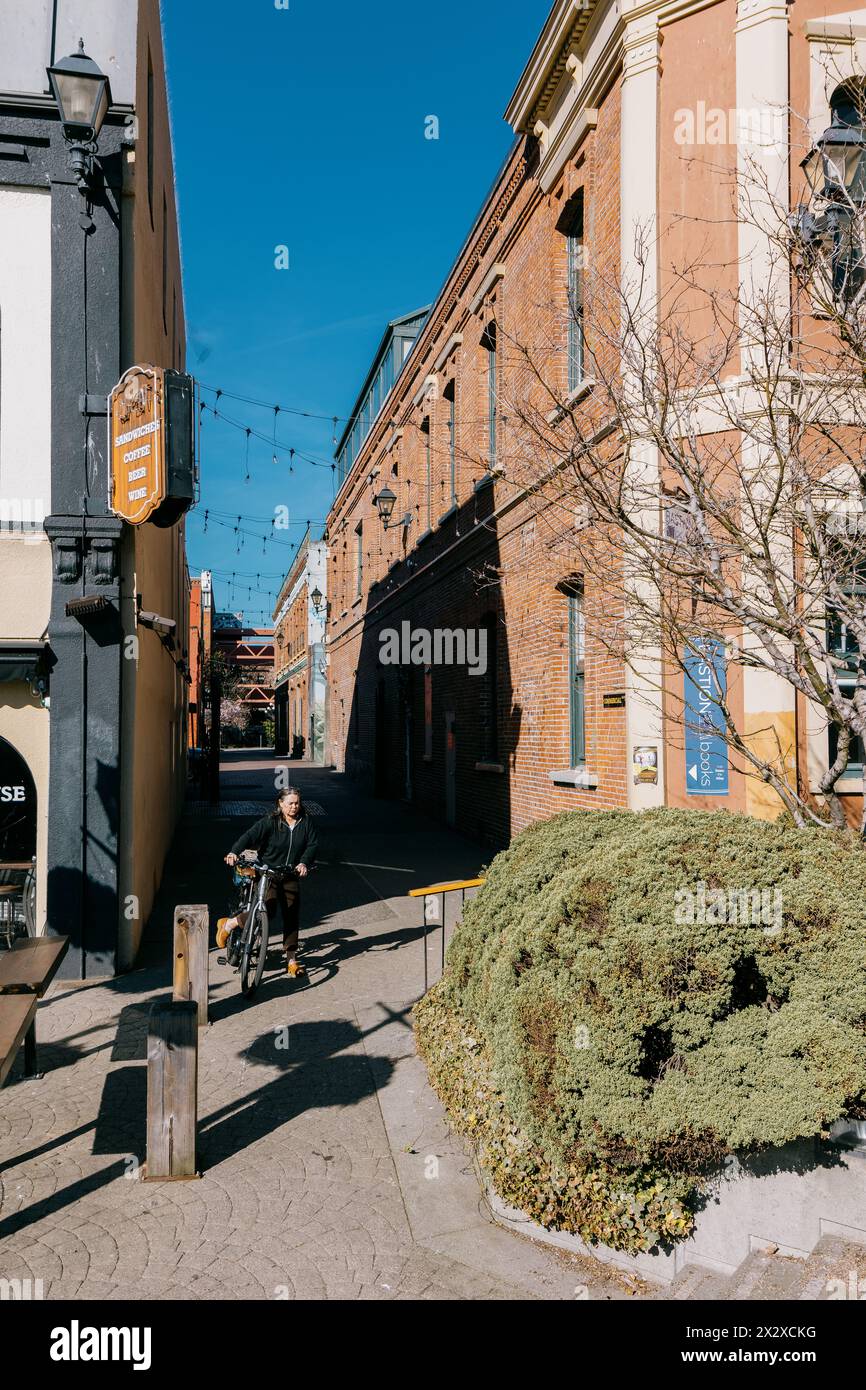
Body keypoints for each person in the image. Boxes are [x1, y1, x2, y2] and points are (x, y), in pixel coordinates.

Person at [218, 787, 318, 977]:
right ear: (280, 803)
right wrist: (234, 851)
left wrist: (304, 862)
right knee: (267, 910)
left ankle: (291, 960)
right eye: (290, 803)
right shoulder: (271, 821)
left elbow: (312, 844)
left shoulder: (305, 822)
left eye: (297, 803)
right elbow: (249, 836)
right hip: (267, 873)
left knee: (291, 915)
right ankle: (229, 924)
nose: (294, 807)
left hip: (289, 873)